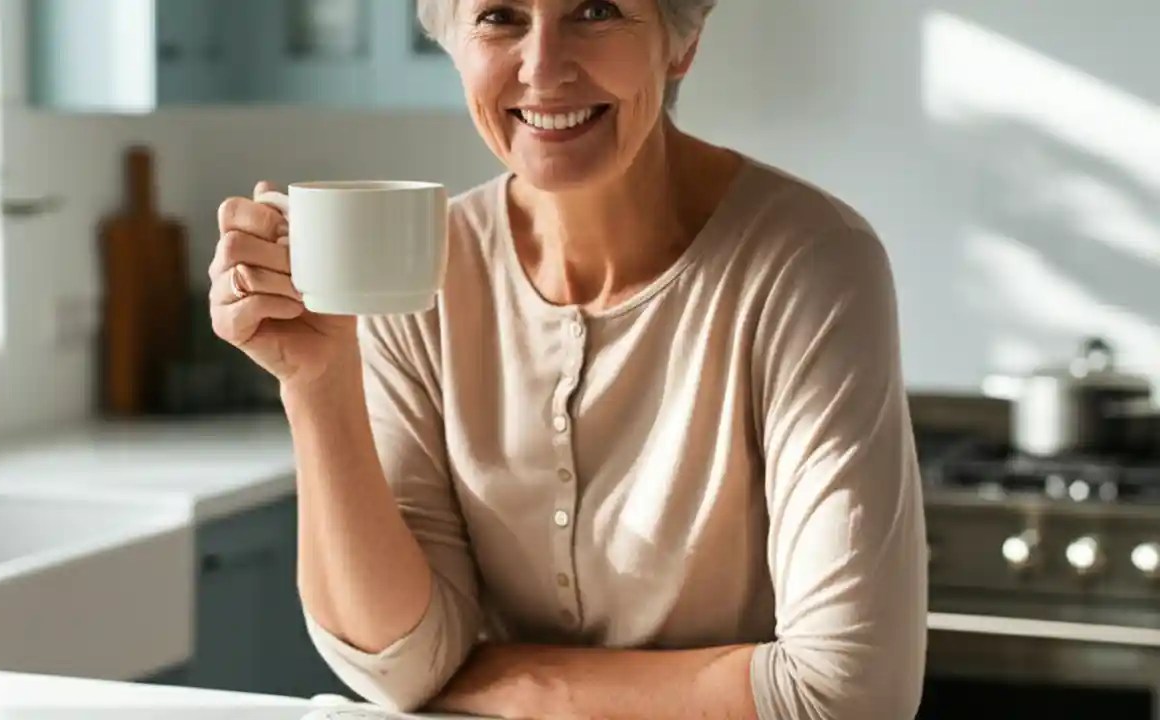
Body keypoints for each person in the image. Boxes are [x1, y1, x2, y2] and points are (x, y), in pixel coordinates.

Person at [209, 0, 927, 717]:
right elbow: (397, 663)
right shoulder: (421, 266)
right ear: (455, 45)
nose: (544, 67)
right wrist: (316, 381)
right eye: (499, 17)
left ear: (683, 44)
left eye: (595, 10)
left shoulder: (809, 264)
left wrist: (511, 682)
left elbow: (851, 696)